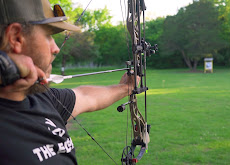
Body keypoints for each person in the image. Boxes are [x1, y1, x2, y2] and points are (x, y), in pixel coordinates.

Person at [0, 0, 137, 164]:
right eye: (48, 35)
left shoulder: (41, 97)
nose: (56, 48)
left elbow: (86, 96)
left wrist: (126, 87)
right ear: (16, 37)